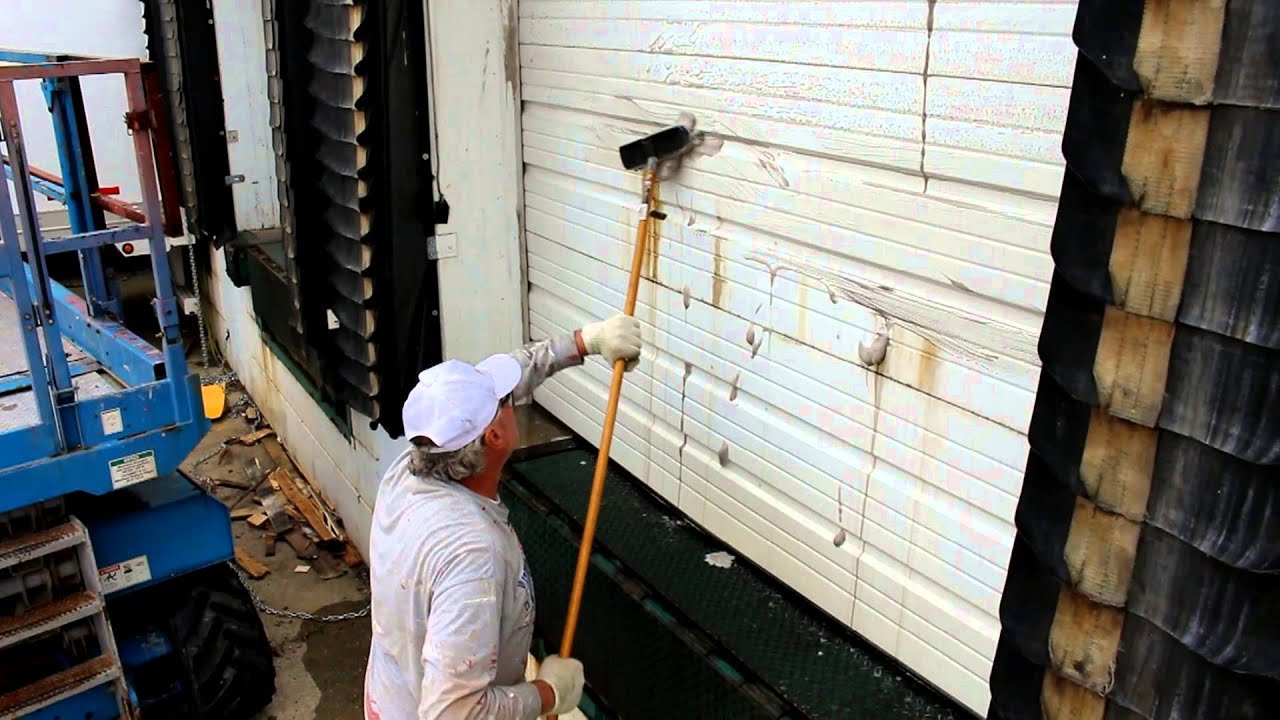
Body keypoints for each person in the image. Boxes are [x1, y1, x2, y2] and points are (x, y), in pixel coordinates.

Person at [363, 314, 644, 719]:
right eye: (505, 401)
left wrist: (585, 342)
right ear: (494, 437)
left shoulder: (412, 468)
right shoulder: (473, 557)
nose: (513, 398)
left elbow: (508, 376)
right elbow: (452, 714)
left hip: (390, 697)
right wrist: (549, 693)